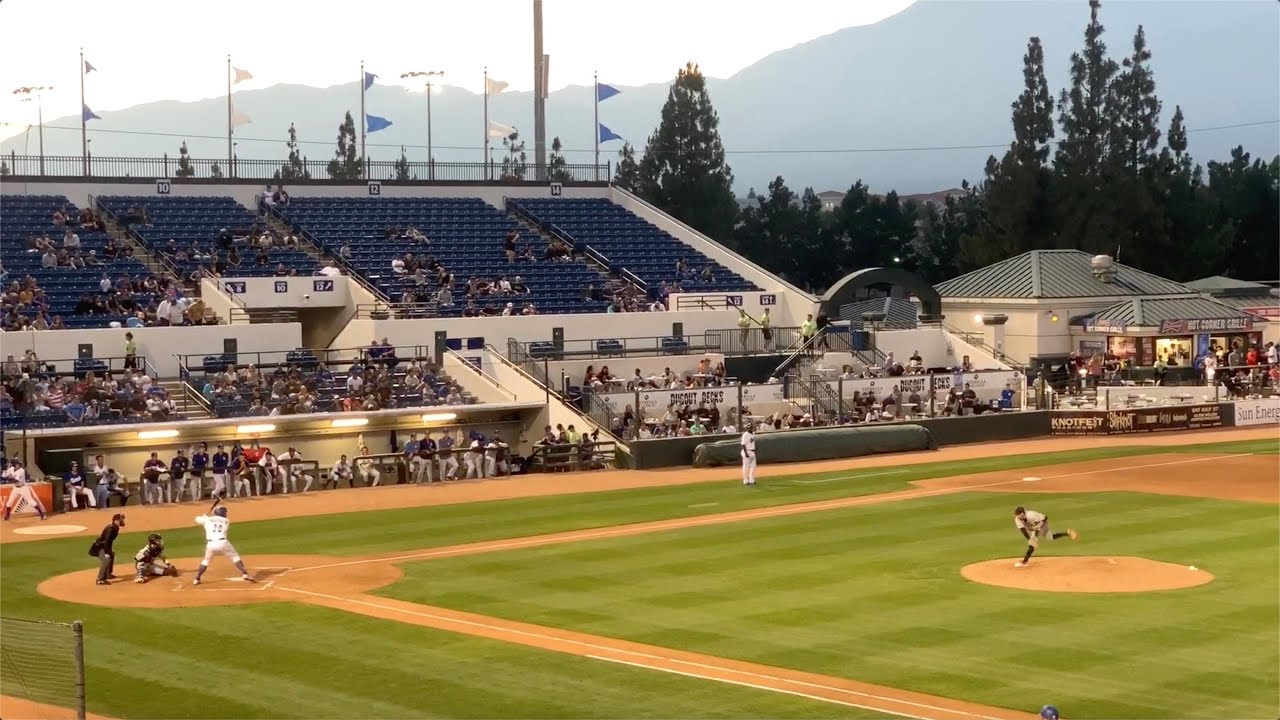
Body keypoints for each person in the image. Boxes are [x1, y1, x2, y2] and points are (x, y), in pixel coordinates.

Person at [191, 507, 256, 585]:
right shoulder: (226, 521)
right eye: (225, 512)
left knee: (206, 561)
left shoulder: (207, 520)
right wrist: (205, 518)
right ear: (222, 513)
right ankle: (245, 574)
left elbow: (197, 519)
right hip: (223, 543)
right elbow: (216, 521)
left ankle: (197, 578)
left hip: (211, 544)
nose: (226, 514)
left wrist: (203, 516)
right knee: (235, 557)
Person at [1013, 506, 1078, 567]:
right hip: (1034, 527)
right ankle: (1025, 561)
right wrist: (1030, 539)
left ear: (1021, 514)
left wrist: (1037, 529)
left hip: (1042, 524)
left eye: (1016, 514)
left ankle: (1068, 533)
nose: (1015, 515)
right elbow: (1023, 530)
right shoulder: (1017, 519)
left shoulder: (1031, 515)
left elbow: (1045, 518)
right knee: (1036, 541)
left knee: (1047, 539)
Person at [91, 513, 126, 585]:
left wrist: (109, 551)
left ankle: (108, 574)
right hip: (99, 547)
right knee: (107, 559)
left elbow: (109, 541)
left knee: (111, 554)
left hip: (104, 546)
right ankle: (100, 579)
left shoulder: (115, 527)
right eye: (121, 519)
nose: (122, 521)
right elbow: (106, 541)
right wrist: (107, 552)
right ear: (116, 521)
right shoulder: (111, 528)